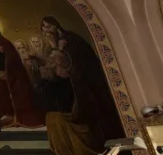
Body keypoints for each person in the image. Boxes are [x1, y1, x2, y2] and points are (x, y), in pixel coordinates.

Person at [40, 15, 124, 147]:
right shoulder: (50, 44)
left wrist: (58, 50)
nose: (46, 30)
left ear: (56, 26)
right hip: (68, 81)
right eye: (43, 27)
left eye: (49, 27)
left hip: (83, 82)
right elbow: (54, 69)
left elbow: (71, 67)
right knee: (46, 88)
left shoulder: (71, 40)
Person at [0, 16, 43, 126]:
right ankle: (5, 119)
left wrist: (3, 53)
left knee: (21, 86)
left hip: (11, 74)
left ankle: (21, 118)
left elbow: (15, 61)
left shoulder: (6, 43)